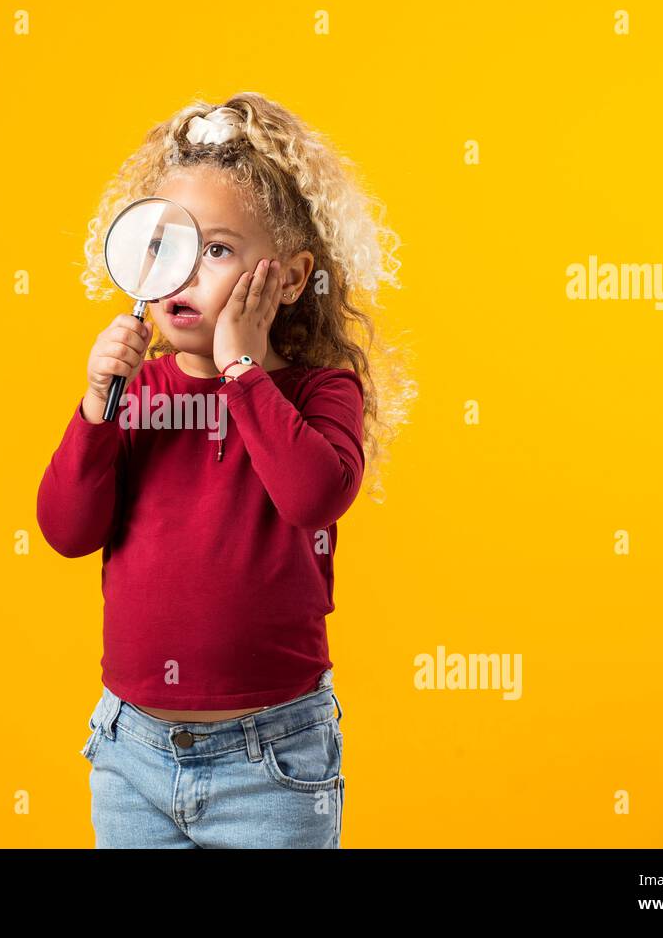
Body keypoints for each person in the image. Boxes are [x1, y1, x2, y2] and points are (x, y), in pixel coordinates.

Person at [36, 91, 413, 847]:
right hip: (132, 753)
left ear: (289, 276)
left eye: (216, 250)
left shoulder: (318, 392)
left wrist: (242, 368)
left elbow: (314, 497)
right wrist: (95, 408)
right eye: (165, 246)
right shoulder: (137, 393)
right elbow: (66, 531)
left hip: (273, 759)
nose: (185, 272)